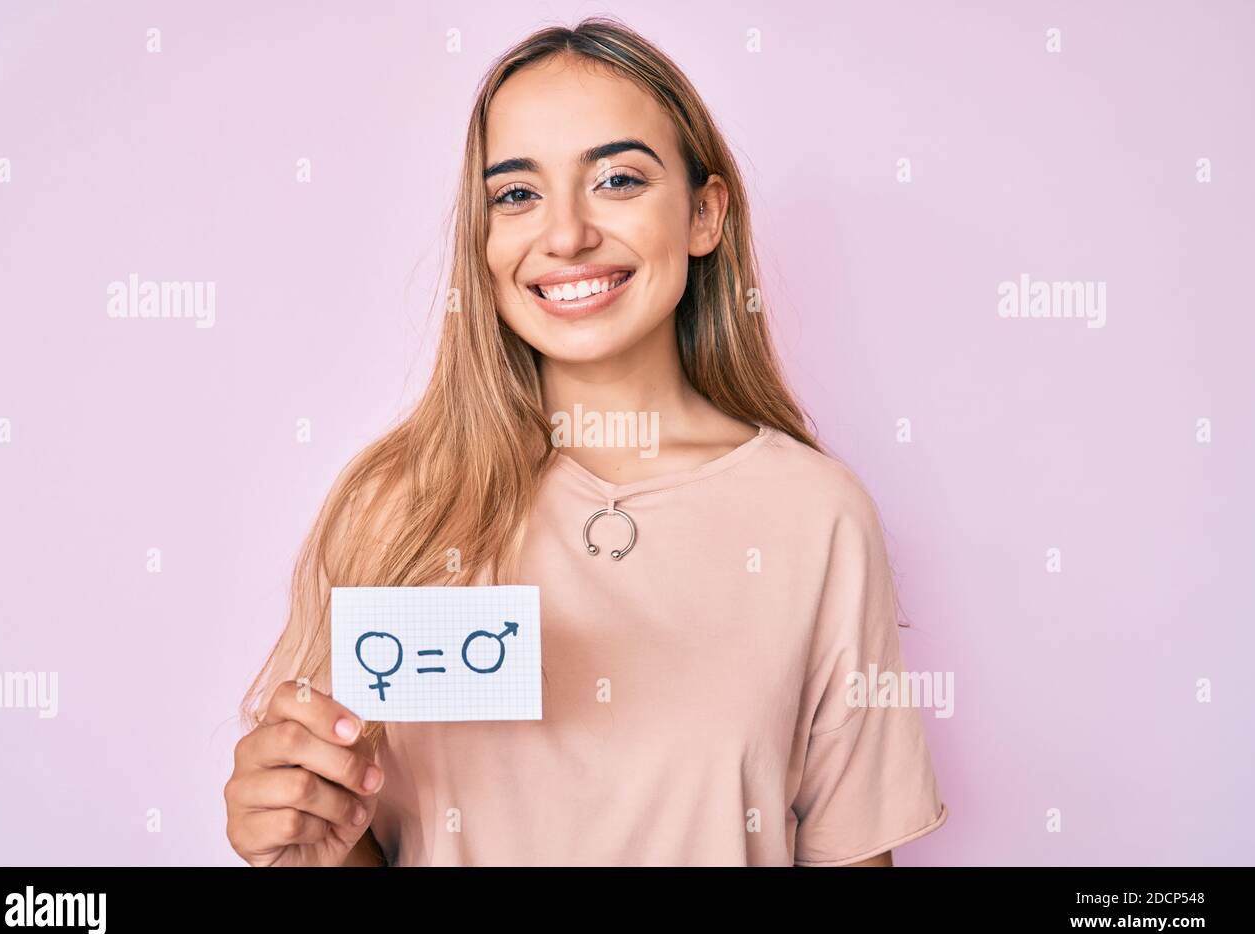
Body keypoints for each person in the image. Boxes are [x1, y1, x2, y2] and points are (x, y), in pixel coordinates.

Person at [224, 16, 948, 867]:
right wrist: (296, 835)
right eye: (517, 194)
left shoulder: (817, 517)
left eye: (617, 179)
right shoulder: (396, 508)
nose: (565, 235)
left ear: (704, 214)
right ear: (484, 240)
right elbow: (348, 839)